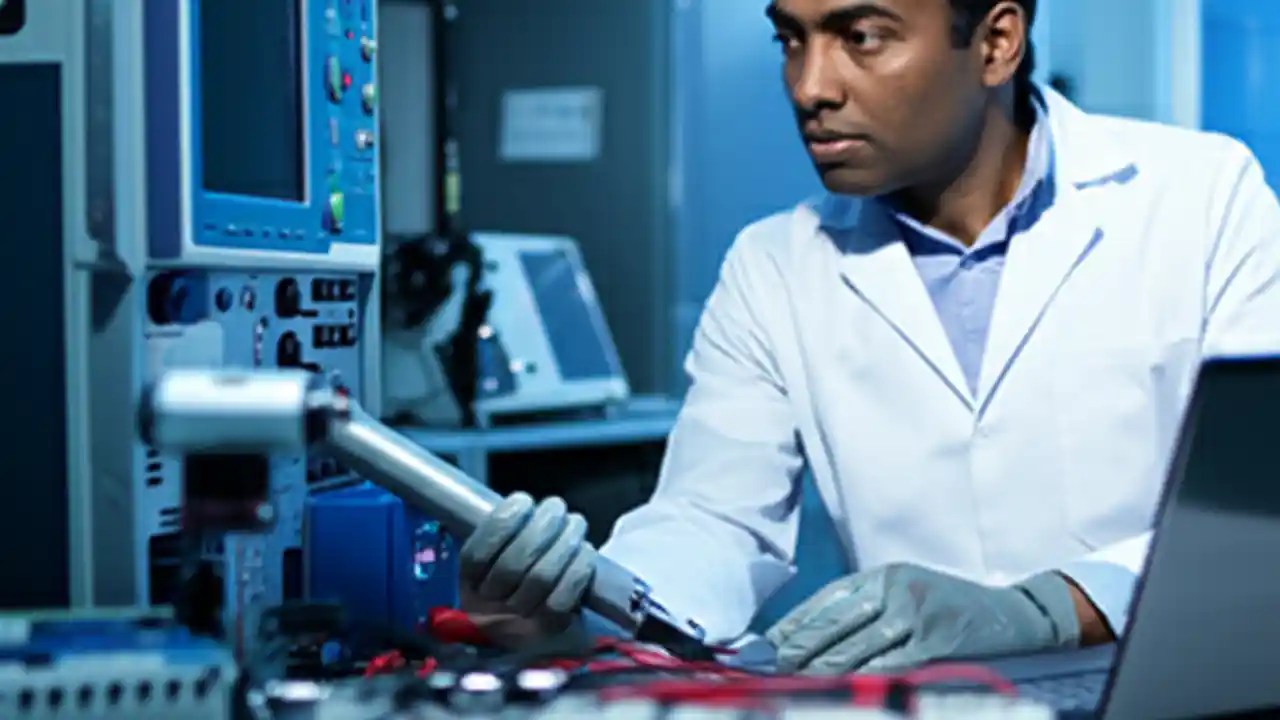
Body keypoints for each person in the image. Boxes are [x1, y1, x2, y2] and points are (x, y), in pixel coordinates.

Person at [455, 0, 1280, 674]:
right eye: (790, 39)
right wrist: (584, 600)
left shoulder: (1202, 197)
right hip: (923, 705)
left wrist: (1043, 608)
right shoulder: (774, 264)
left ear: (995, 42)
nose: (809, 86)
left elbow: (1254, 512)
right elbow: (713, 522)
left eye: (862, 37)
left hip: (1167, 691)